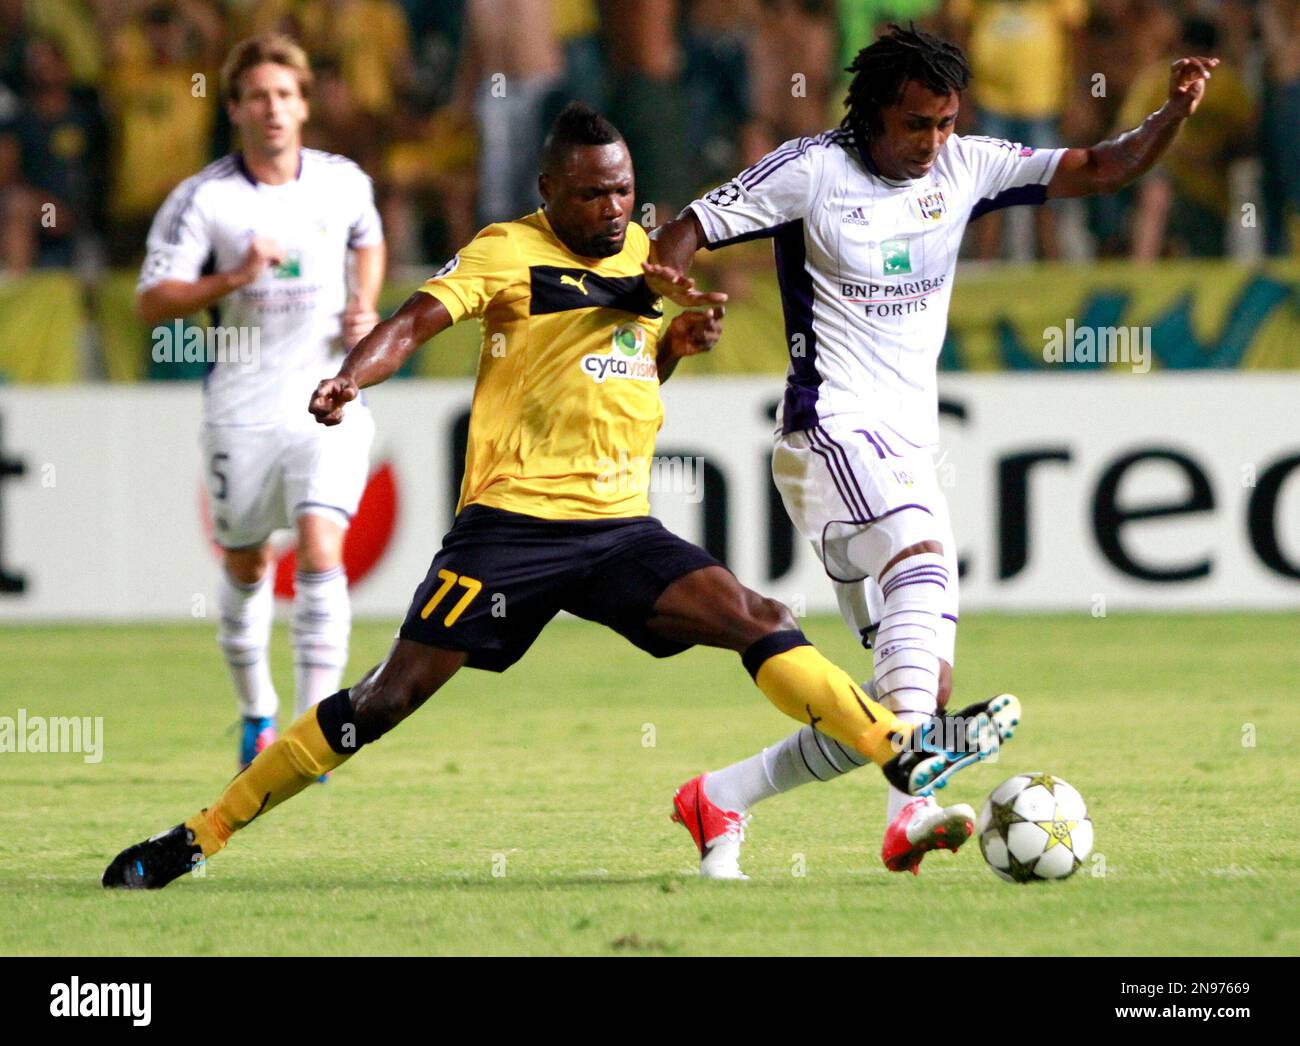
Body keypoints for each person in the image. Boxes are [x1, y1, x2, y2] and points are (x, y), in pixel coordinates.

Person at [103, 101, 1014, 890]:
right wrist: (350, 378)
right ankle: (198, 837)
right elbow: (415, 320)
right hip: (510, 530)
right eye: (590, 195)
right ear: (549, 193)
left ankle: (903, 750)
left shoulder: (650, 259)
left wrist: (671, 345)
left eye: (623, 191)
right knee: (385, 699)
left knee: (755, 613)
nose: (613, 209)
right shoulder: (507, 251)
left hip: (618, 528)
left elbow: (624, 374)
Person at [649, 24, 1215, 877]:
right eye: (918, 125)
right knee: (919, 558)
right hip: (828, 431)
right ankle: (908, 809)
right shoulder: (811, 170)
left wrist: (1173, 110)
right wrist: (666, 276)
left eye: (947, 122)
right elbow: (689, 225)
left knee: (909, 696)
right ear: (875, 114)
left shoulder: (966, 166)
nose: (934, 143)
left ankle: (721, 796)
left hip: (905, 448)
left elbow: (1105, 166)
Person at [134, 33, 385, 771]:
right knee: (246, 565)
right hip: (241, 406)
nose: (272, 108)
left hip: (327, 397)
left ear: (303, 105)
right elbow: (153, 300)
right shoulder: (205, 199)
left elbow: (367, 239)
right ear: (235, 108)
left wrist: (364, 305)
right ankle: (257, 714)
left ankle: (312, 731)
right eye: (256, 96)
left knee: (319, 546)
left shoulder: (342, 182)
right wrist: (233, 276)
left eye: (285, 94)